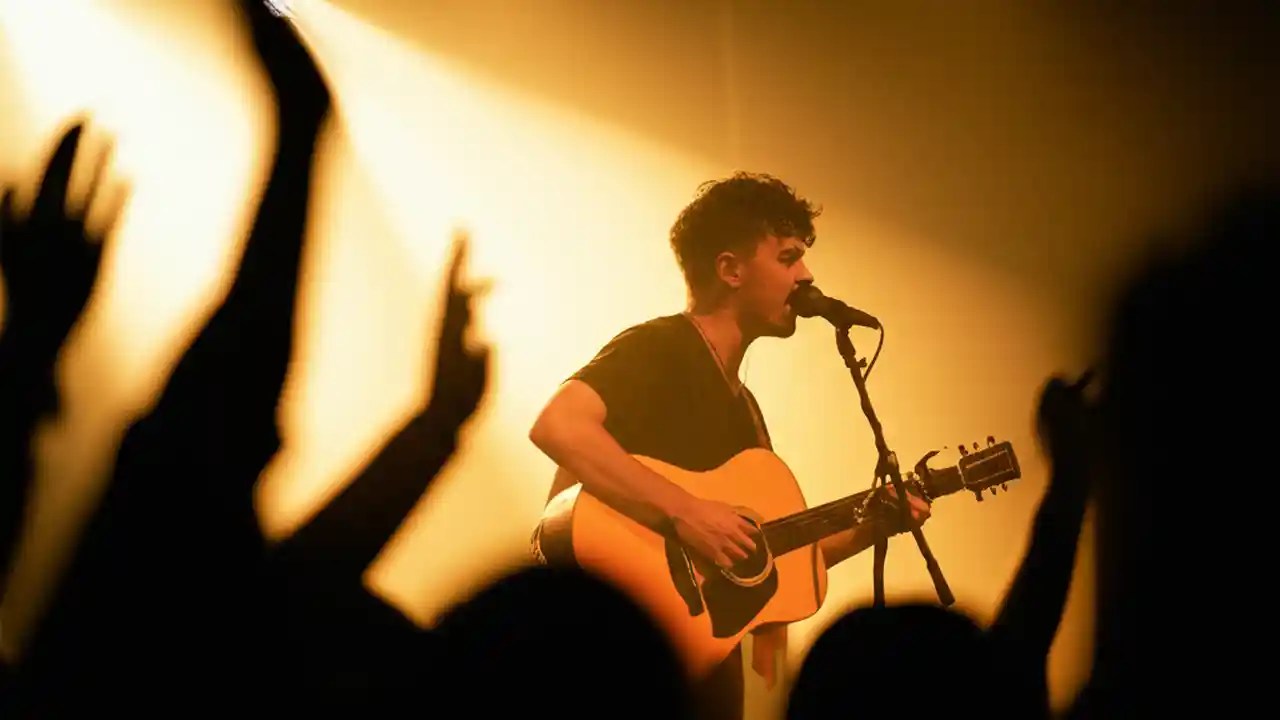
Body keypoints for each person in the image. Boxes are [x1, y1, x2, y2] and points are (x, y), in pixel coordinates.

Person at [528, 172, 931, 720]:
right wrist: (687, 511)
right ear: (730, 269)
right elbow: (559, 426)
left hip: (698, 662)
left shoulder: (745, 411)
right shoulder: (662, 347)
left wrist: (873, 526)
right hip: (609, 652)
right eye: (788, 257)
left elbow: (766, 559)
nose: (807, 273)